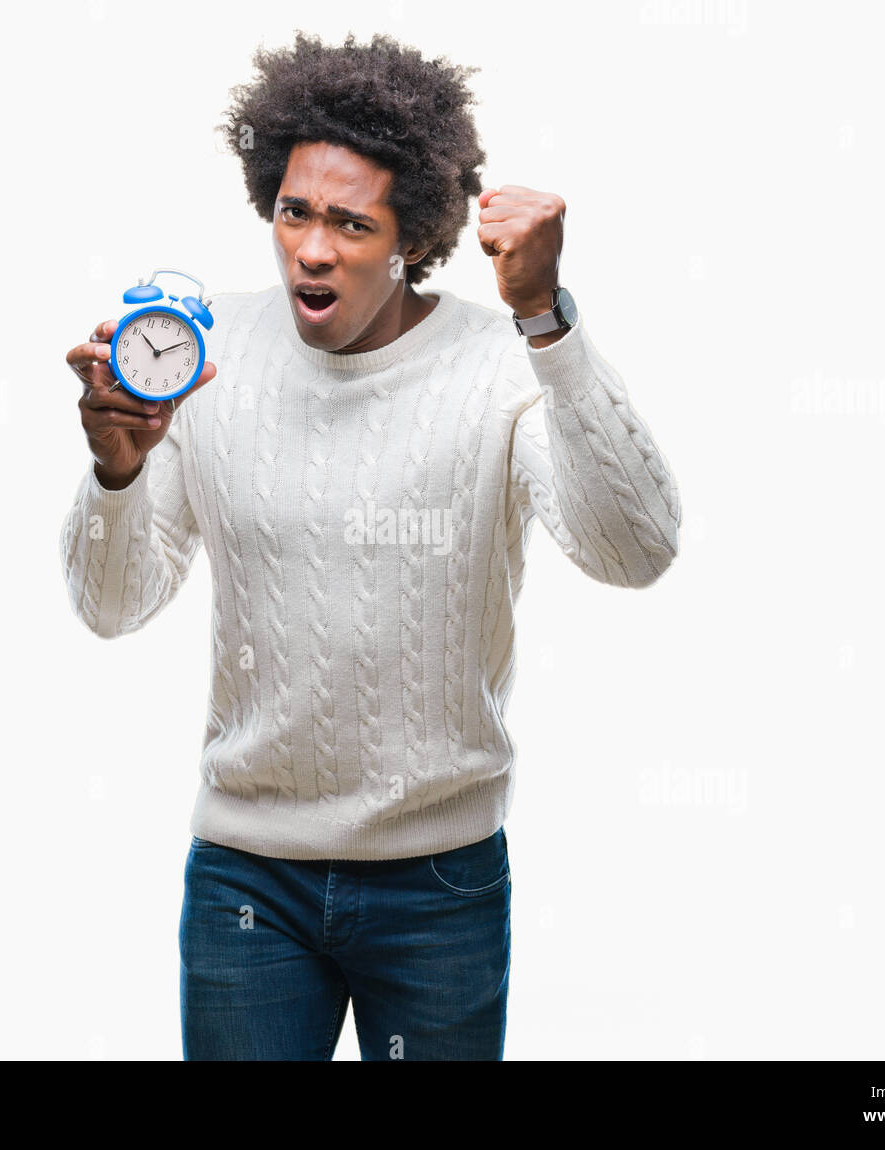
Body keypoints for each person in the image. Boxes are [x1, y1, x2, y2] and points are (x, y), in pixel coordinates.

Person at [60, 31, 681, 1061]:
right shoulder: (203, 352)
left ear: (411, 242)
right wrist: (117, 473)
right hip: (246, 879)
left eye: (351, 223)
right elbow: (111, 608)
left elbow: (637, 548)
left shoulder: (497, 369)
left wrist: (547, 324)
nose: (311, 247)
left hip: (438, 882)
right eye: (295, 211)